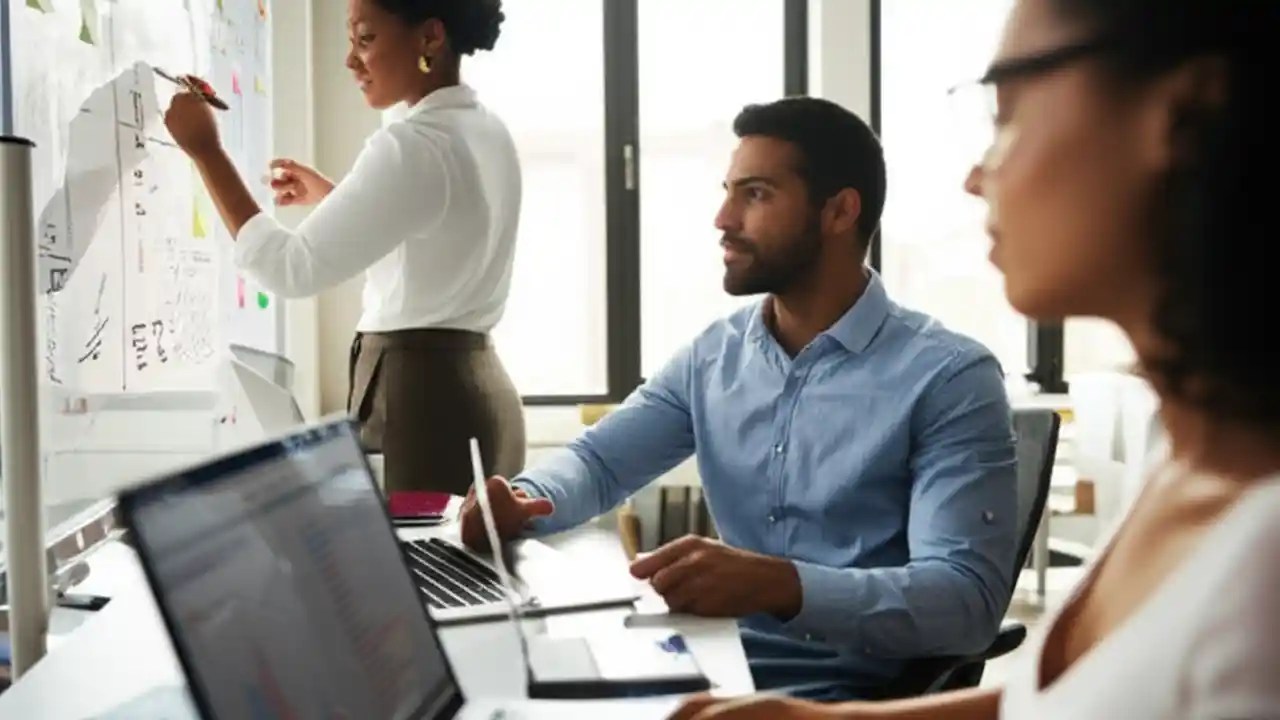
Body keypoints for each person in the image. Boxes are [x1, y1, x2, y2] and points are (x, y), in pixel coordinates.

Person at [668, 0, 1279, 718]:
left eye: (1007, 110)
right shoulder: (1180, 457)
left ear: (1178, 117)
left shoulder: (1264, 559)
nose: (974, 177)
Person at [460, 97, 1020, 701]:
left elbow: (965, 602)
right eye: (729, 191)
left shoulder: (950, 377)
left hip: (836, 700)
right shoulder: (714, 357)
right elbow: (598, 464)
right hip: (702, 660)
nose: (723, 217)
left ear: (839, 211)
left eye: (755, 194)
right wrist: (527, 499)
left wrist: (781, 586)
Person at [163, 0, 525, 495]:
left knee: (416, 569)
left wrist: (206, 150)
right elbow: (433, 244)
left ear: (430, 37)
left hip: (423, 405)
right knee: (465, 571)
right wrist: (337, 200)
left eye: (365, 39)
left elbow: (288, 269)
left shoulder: (410, 145)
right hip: (483, 396)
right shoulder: (484, 128)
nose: (350, 60)